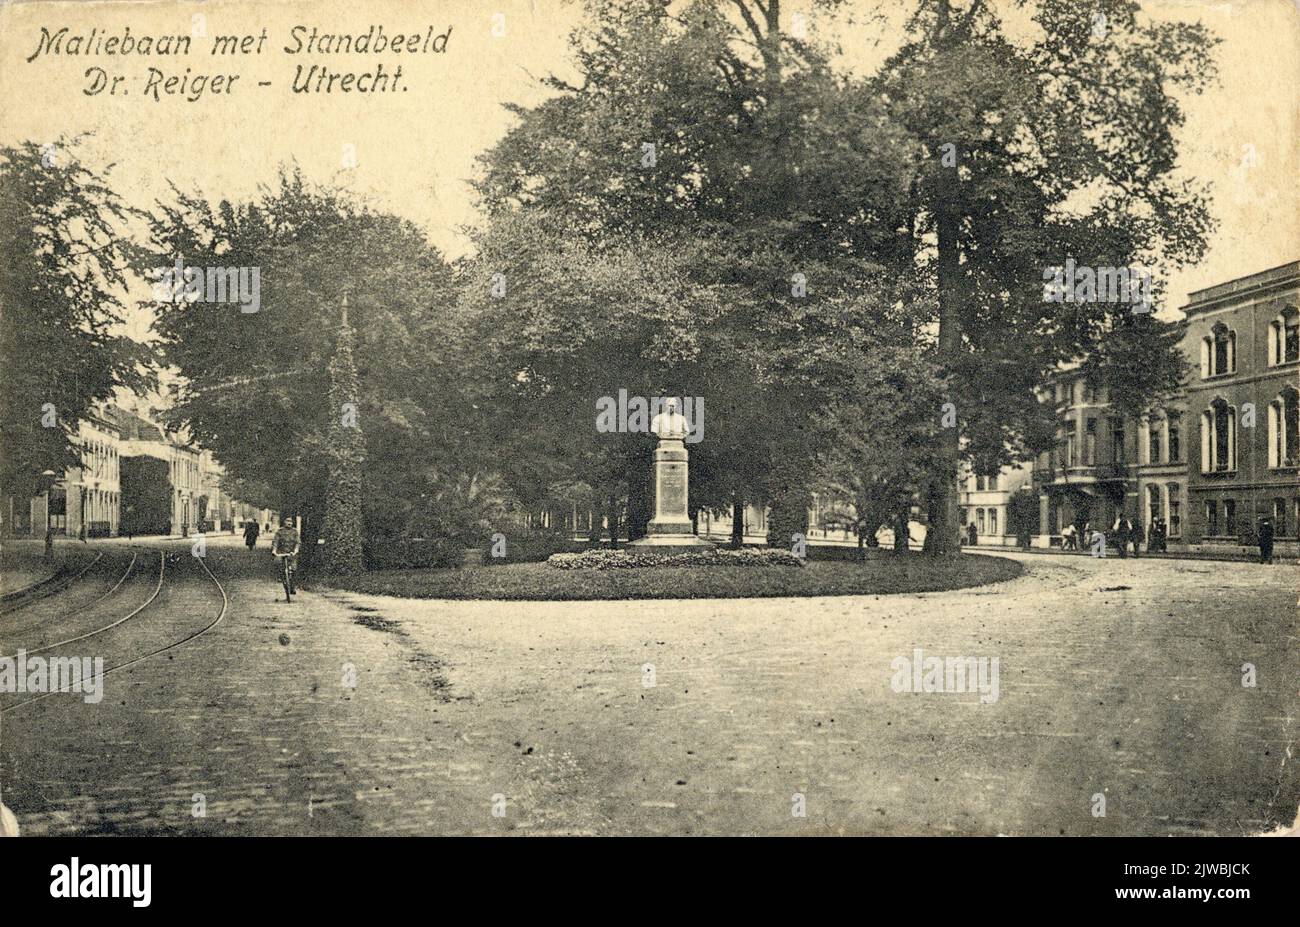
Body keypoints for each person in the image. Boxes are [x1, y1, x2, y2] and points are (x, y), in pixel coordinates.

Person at [271, 515, 300, 595]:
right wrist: (274, 551)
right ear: (284, 522)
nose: (289, 523)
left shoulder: (295, 532)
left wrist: (296, 550)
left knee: (294, 569)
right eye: (287, 521)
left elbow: (298, 542)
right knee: (278, 564)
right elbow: (275, 542)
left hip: (292, 553)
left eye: (290, 522)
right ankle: (281, 578)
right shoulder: (280, 531)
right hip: (281, 553)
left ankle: (293, 586)